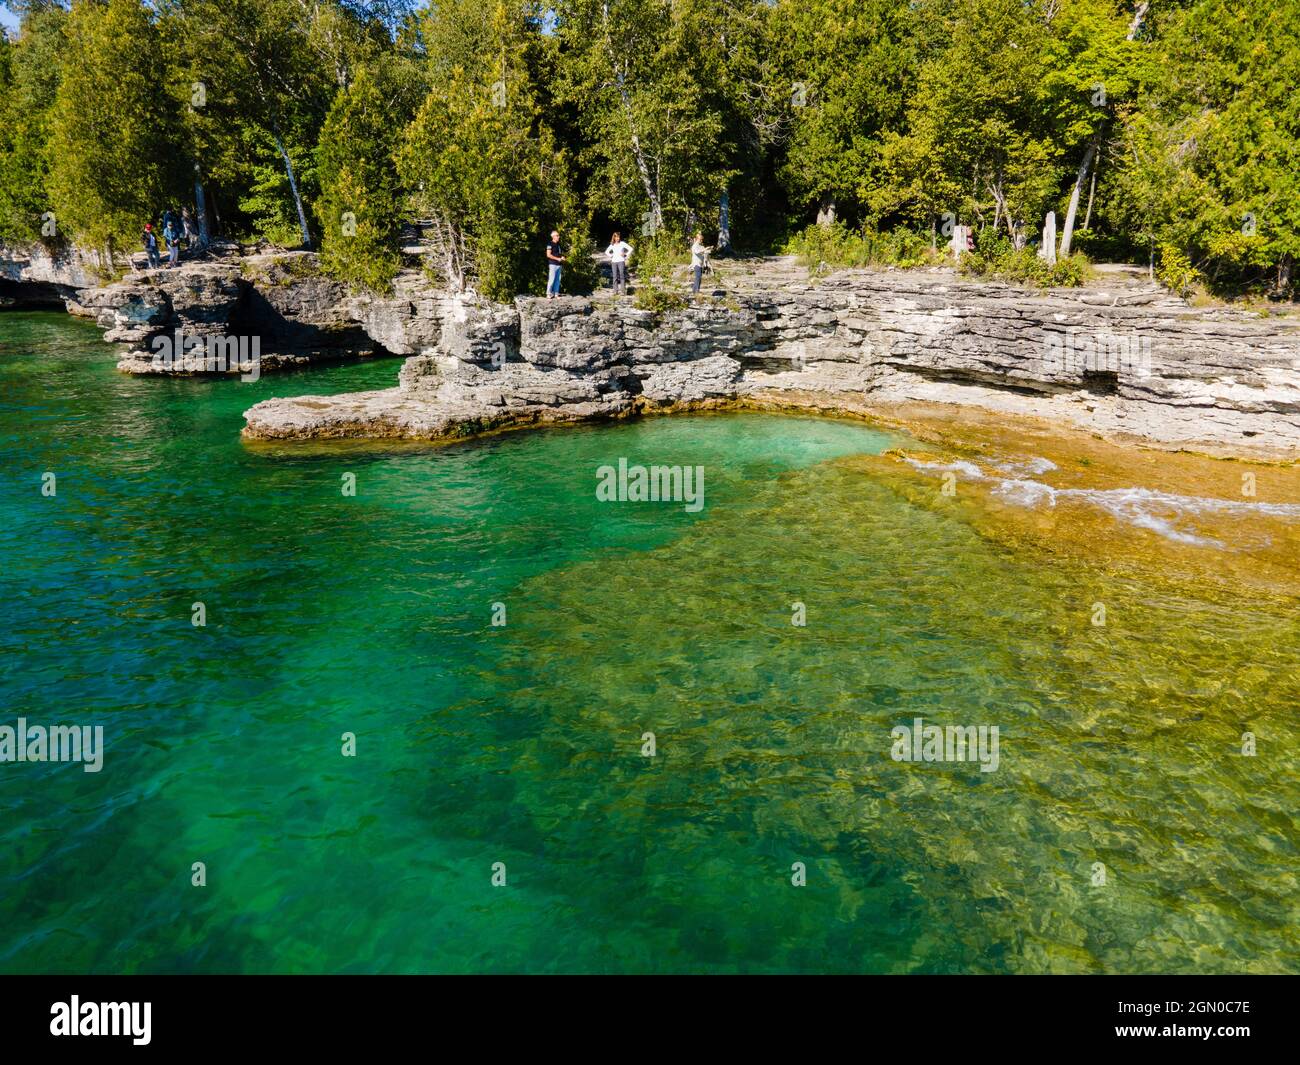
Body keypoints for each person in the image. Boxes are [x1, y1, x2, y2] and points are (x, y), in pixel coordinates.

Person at [689, 232, 712, 298]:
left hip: (701, 264)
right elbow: (697, 252)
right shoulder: (695, 246)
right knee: (698, 278)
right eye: (700, 239)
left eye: (702, 239)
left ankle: (694, 290)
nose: (701, 241)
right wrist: (705, 249)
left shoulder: (701, 246)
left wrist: (709, 249)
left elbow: (704, 252)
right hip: (696, 264)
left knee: (699, 278)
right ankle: (696, 291)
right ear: (696, 239)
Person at [546, 230, 565, 298]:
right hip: (553, 264)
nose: (558, 237)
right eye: (557, 235)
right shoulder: (550, 244)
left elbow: (558, 254)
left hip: (559, 265)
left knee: (558, 280)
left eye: (558, 235)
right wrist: (557, 259)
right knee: (551, 279)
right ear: (553, 236)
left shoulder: (558, 245)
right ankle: (548, 293)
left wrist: (562, 257)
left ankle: (556, 293)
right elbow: (548, 255)